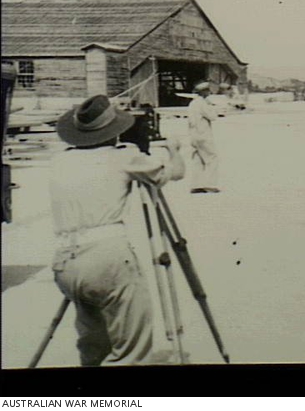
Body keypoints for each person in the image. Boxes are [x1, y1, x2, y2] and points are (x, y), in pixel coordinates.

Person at [50, 94, 185, 366]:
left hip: (65, 262)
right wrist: (174, 150)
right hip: (107, 259)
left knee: (93, 344)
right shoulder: (125, 157)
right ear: (113, 131)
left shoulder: (60, 160)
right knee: (131, 351)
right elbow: (176, 173)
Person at [188, 81, 221, 194]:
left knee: (197, 158)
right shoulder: (203, 103)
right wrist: (212, 106)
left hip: (193, 134)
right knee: (212, 158)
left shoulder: (192, 103)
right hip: (203, 134)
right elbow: (212, 116)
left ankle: (196, 185)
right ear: (204, 92)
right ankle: (210, 185)